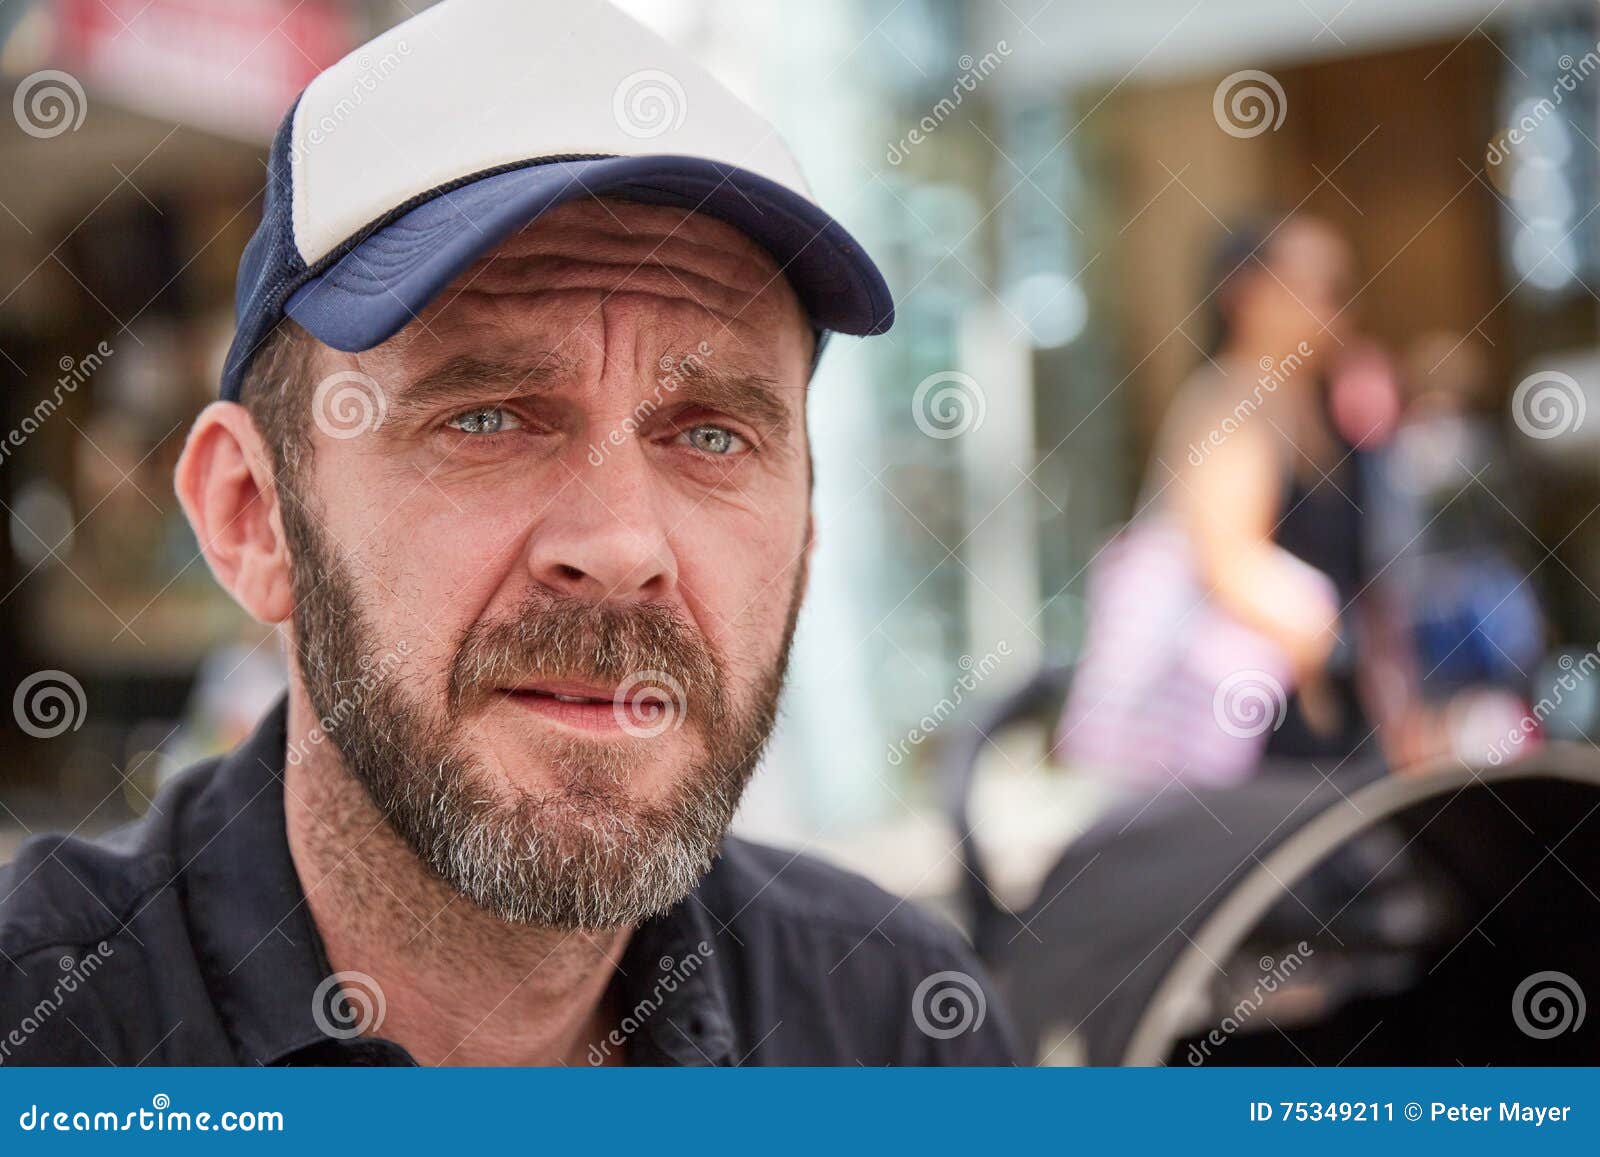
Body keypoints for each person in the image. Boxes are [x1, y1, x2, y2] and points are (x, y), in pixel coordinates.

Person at [0, 0, 1017, 1067]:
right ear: (253, 516)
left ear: (809, 527)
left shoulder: (893, 1023)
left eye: (710, 434)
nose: (622, 544)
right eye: (486, 418)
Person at [1058, 213, 1373, 784]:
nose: (1334, 310)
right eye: (1317, 287)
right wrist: (1318, 631)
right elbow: (1228, 560)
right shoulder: (1234, 399)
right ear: (1245, 294)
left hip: (1295, 723)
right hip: (1246, 738)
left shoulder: (1311, 404)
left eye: (1340, 290)